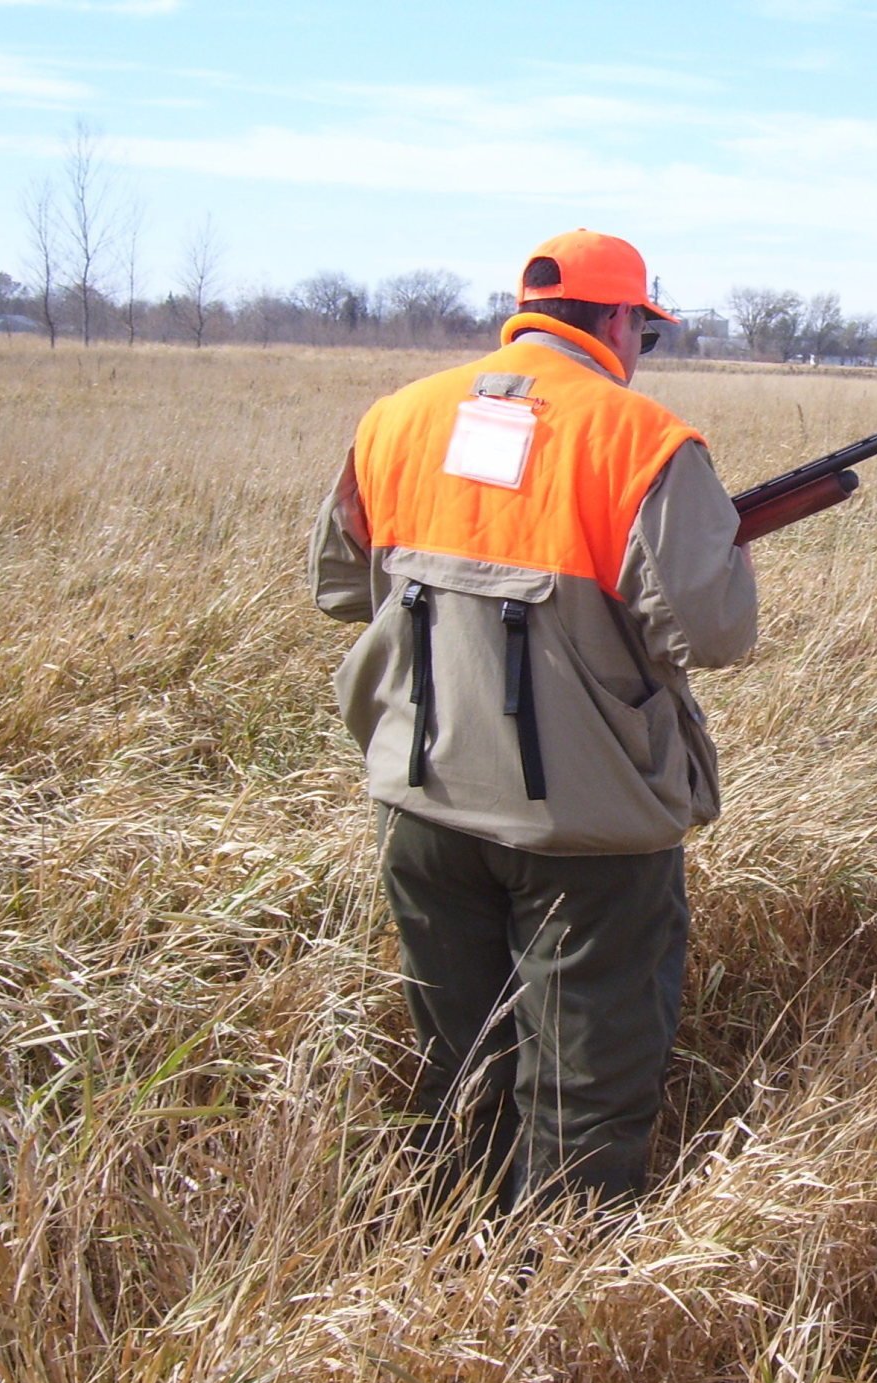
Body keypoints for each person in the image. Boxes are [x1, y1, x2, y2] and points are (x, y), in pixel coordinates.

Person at [308, 229, 758, 1211]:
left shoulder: (397, 419)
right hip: (584, 832)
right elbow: (713, 631)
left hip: (421, 805)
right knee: (586, 1091)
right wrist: (719, 548)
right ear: (610, 320)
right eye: (646, 327)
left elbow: (341, 586)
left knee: (460, 1063)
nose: (643, 348)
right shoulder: (640, 439)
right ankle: (552, 1301)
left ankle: (443, 1260)